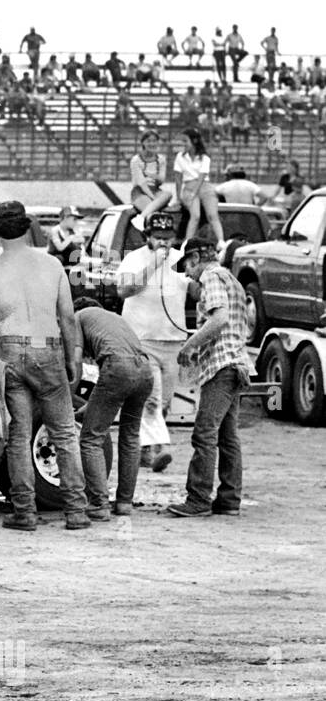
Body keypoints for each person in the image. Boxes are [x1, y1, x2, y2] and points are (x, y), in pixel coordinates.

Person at [0, 201, 89, 531]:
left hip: (11, 354)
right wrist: (74, 359)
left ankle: (24, 512)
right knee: (65, 434)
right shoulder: (51, 265)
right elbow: (67, 317)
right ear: (27, 227)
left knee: (18, 437)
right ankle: (76, 511)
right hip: (48, 348)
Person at [167, 237, 252, 518]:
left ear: (194, 259)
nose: (189, 275)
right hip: (237, 363)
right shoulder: (231, 278)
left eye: (187, 267)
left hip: (222, 367)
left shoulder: (212, 277)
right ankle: (229, 499)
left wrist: (189, 346)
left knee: (204, 433)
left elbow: (219, 319)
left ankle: (198, 498)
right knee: (228, 437)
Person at [116, 212, 190, 473]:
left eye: (168, 239)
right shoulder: (133, 259)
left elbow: (194, 289)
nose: (164, 244)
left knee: (165, 401)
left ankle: (145, 449)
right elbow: (123, 290)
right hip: (142, 340)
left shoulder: (181, 259)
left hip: (172, 340)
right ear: (147, 237)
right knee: (151, 399)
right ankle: (158, 448)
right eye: (158, 238)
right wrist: (153, 266)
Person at [72, 298, 153, 519]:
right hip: (145, 372)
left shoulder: (78, 317)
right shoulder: (114, 320)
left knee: (90, 438)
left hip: (118, 368)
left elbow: (77, 359)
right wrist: (91, 406)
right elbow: (110, 382)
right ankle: (125, 503)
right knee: (130, 437)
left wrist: (67, 394)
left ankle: (99, 504)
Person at [173, 127, 223, 244]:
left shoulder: (205, 158)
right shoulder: (180, 157)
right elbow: (178, 179)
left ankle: (221, 241)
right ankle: (187, 242)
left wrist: (193, 193)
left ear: (194, 141)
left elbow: (202, 177)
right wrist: (179, 197)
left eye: (185, 141)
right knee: (195, 215)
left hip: (203, 186)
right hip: (189, 185)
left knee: (212, 215)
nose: (183, 144)